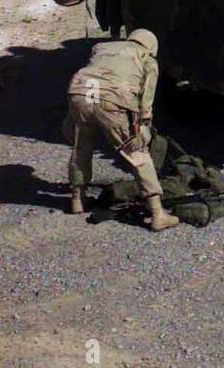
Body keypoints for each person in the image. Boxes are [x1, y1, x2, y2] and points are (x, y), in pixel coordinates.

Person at [66, 29, 179, 231]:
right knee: (136, 152)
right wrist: (144, 125)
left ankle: (78, 199)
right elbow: (147, 98)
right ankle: (157, 213)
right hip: (112, 100)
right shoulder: (147, 58)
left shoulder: (102, 47)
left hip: (81, 93)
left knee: (81, 146)